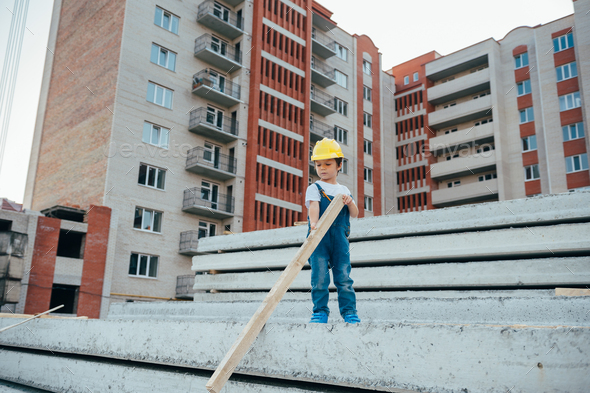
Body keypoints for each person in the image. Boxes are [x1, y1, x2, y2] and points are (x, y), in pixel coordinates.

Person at [306, 138, 360, 324]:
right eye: (318, 164)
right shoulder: (315, 188)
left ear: (339, 165)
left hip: (340, 240)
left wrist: (350, 202)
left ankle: (349, 312)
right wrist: (314, 224)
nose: (322, 168)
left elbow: (355, 213)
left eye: (328, 164)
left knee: (343, 277)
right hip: (319, 238)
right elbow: (313, 207)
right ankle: (320, 312)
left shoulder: (344, 190)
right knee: (319, 277)